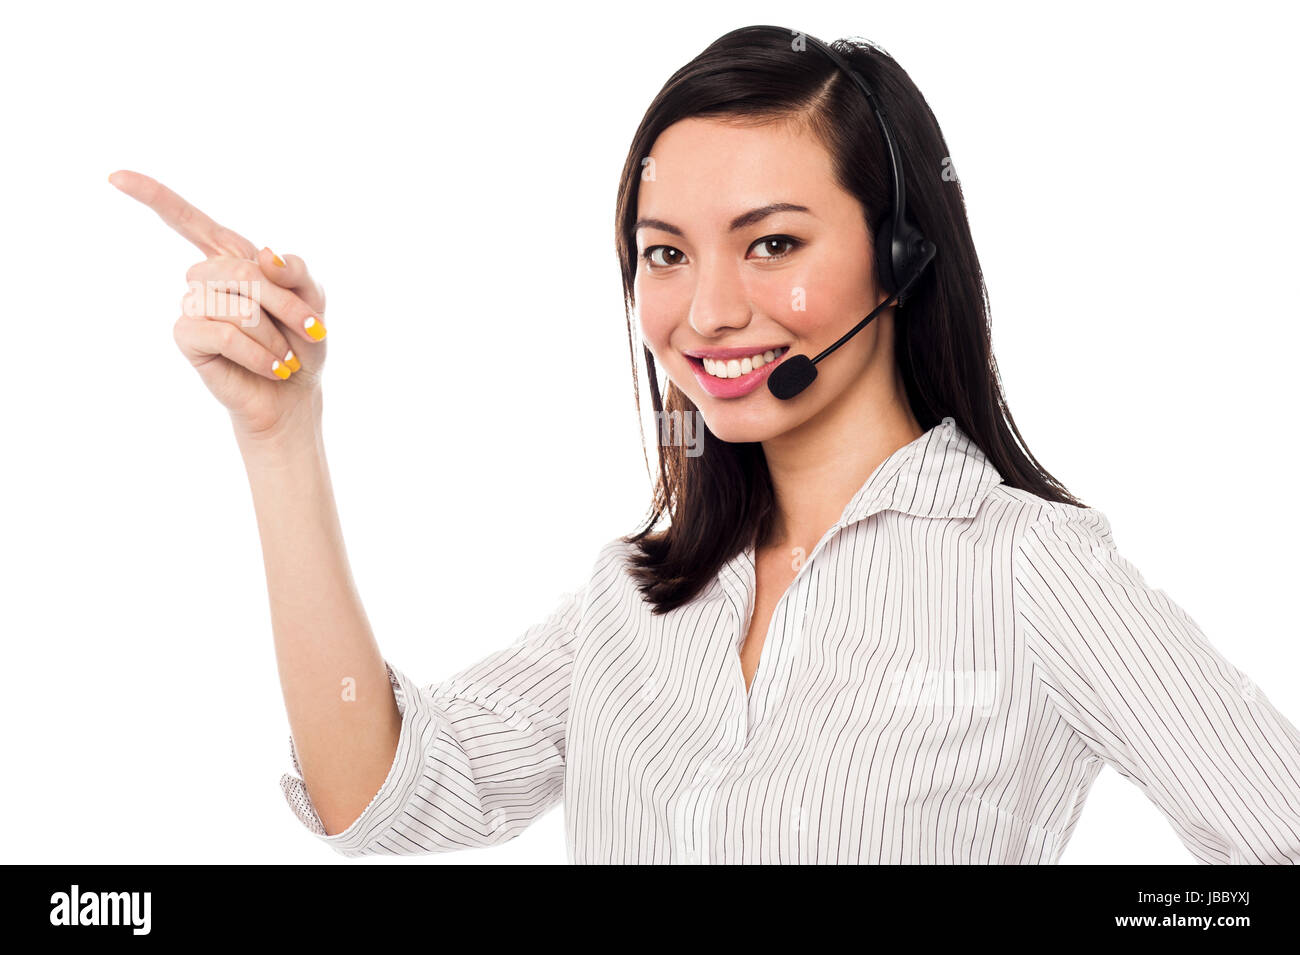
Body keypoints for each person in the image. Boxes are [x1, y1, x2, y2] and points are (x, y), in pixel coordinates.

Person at [111, 24, 1300, 864]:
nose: (707, 310)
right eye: (666, 251)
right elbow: (376, 797)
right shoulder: (636, 595)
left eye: (772, 243)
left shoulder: (1032, 569)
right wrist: (280, 434)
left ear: (899, 256)